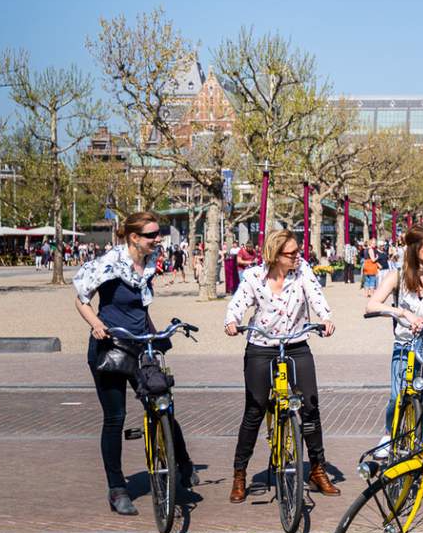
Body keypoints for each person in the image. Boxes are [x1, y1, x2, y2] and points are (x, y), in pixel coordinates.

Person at [73, 211, 196, 516]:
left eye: (159, 234)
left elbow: (141, 307)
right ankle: (117, 489)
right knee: (115, 417)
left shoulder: (150, 264)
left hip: (142, 344)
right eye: (152, 235)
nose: (158, 239)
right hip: (111, 346)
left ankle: (183, 461)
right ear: (134, 237)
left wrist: (157, 335)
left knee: (162, 402)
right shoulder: (109, 263)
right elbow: (81, 297)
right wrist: (95, 324)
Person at [224, 229, 339, 502]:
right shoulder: (254, 276)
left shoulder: (303, 272)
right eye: (292, 253)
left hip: (296, 342)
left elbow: (316, 297)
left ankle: (317, 468)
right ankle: (240, 473)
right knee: (255, 408)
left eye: (299, 252)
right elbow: (238, 302)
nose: (298, 257)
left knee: (310, 405)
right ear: (275, 255)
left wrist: (325, 317)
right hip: (262, 347)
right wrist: (231, 320)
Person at [366, 226, 423, 473]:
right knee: (398, 397)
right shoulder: (396, 276)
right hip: (406, 346)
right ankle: (389, 433)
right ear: (416, 248)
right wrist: (402, 312)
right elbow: (371, 305)